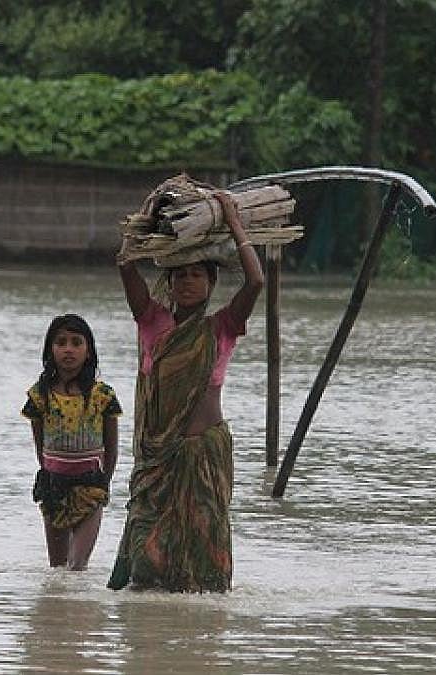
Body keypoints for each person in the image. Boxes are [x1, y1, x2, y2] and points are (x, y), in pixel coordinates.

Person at [108, 190, 263, 592]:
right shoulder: (151, 321)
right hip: (156, 457)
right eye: (181, 275)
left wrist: (234, 222)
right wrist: (141, 221)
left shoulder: (222, 328)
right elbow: (126, 266)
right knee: (146, 557)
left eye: (197, 275)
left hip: (203, 455)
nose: (188, 282)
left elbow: (256, 280)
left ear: (211, 282)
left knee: (203, 556)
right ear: (170, 282)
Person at [22, 314, 121, 570]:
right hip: (53, 488)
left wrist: (104, 484)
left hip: (91, 487)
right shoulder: (40, 395)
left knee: (76, 566)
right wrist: (48, 474)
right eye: (61, 342)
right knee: (57, 569)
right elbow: (40, 444)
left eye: (76, 342)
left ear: (88, 351)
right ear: (50, 350)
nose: (68, 349)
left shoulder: (102, 396)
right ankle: (58, 609)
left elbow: (112, 447)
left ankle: (78, 606)